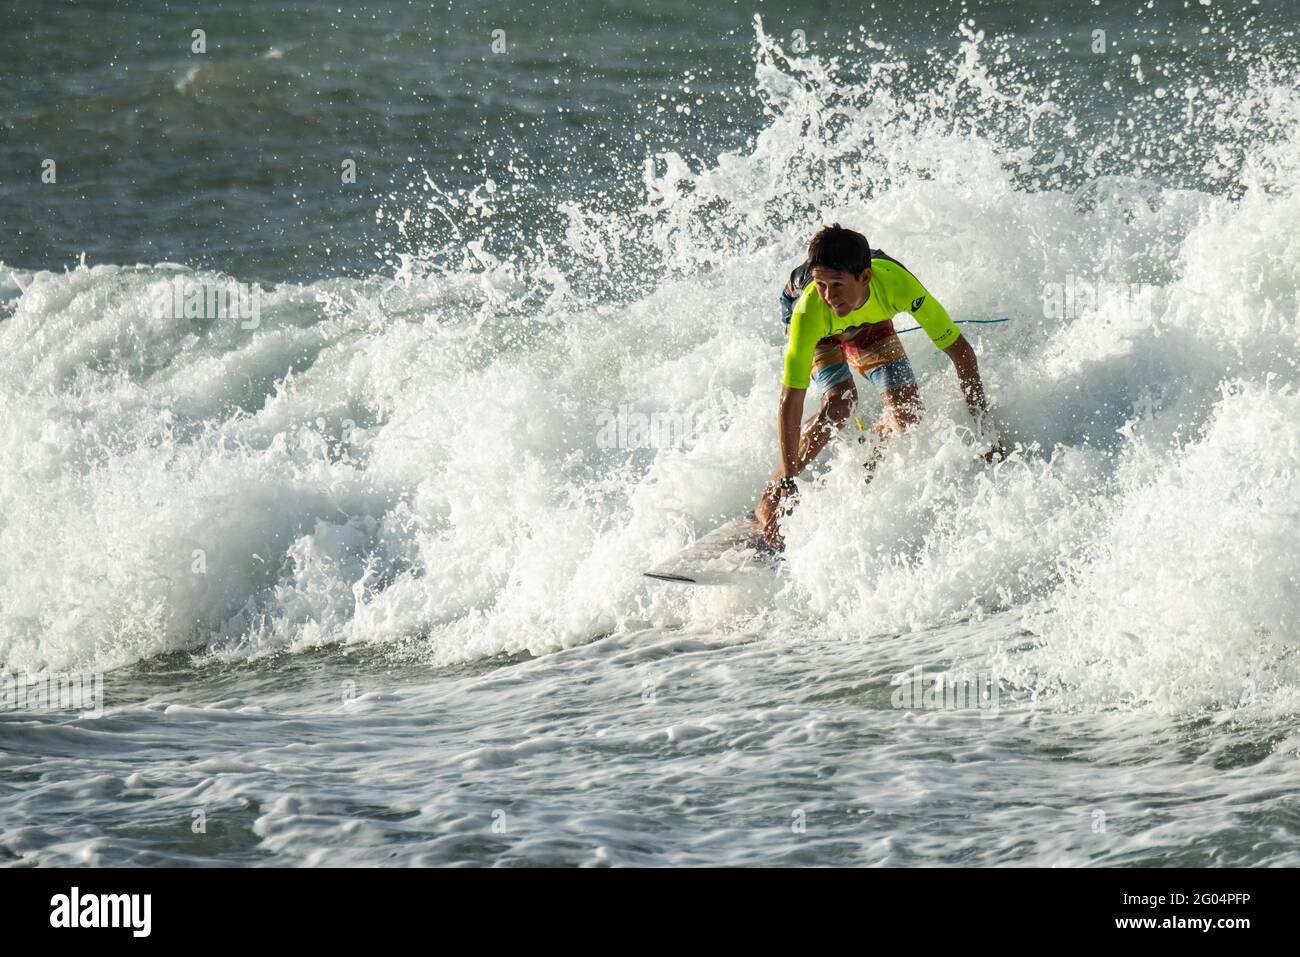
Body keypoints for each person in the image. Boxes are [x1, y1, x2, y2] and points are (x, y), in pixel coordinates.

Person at [755, 223, 1004, 548]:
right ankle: (770, 494)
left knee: (908, 414)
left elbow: (962, 353)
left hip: (866, 320)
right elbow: (790, 401)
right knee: (840, 406)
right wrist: (788, 478)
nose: (829, 296)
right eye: (821, 285)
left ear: (865, 279)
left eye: (836, 286)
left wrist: (985, 431)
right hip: (819, 329)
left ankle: (868, 452)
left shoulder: (898, 286)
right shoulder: (810, 308)